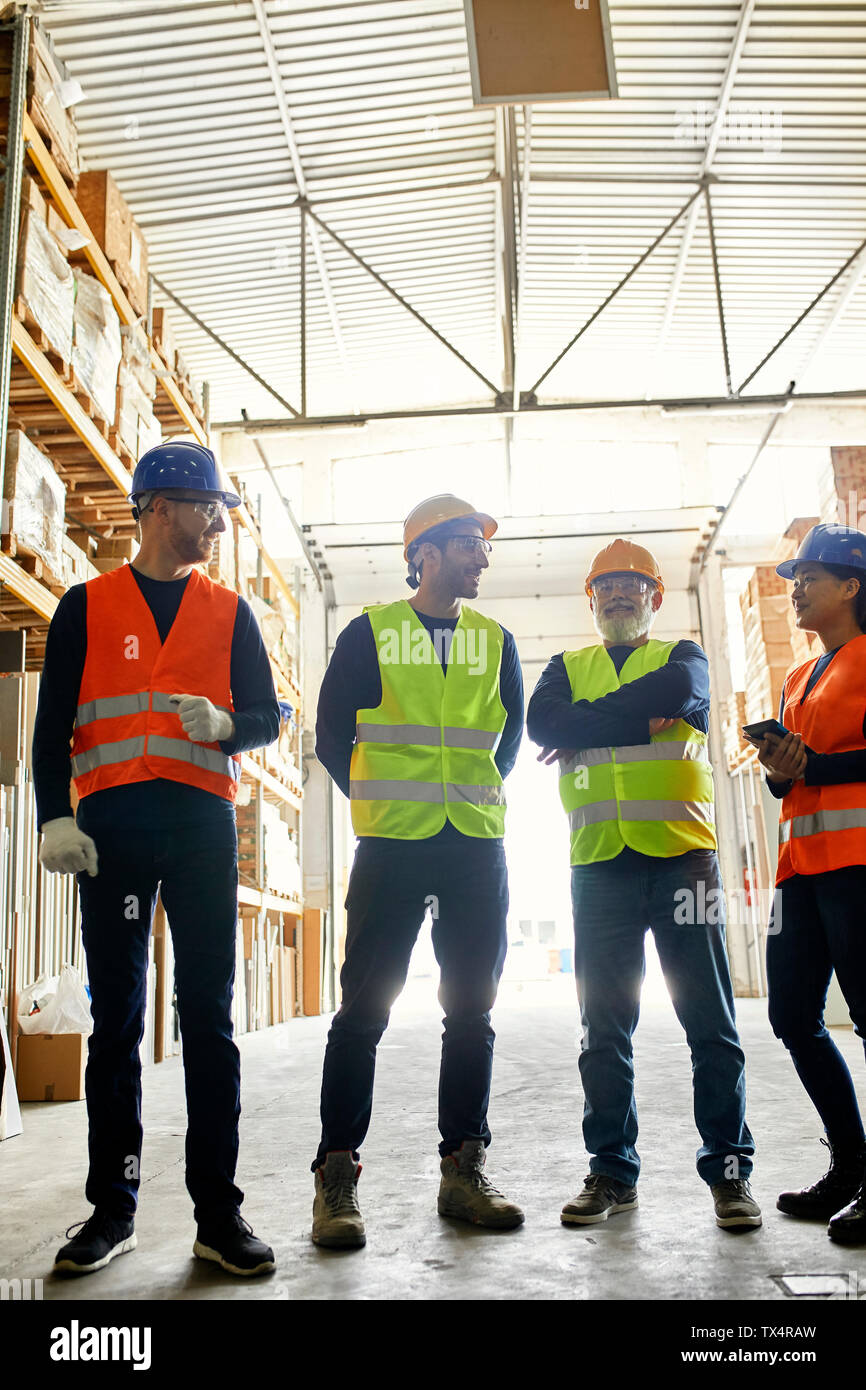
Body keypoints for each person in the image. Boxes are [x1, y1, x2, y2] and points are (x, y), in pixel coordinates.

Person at [33, 441, 280, 1277]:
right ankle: (114, 1208)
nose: (219, 522)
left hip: (202, 829)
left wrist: (227, 723)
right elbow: (49, 728)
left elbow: (267, 718)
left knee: (208, 1021)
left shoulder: (232, 611)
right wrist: (52, 819)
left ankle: (219, 1214)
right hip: (113, 836)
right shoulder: (86, 606)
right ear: (160, 508)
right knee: (117, 1025)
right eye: (209, 506)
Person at [527, 539, 760, 1230]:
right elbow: (544, 724)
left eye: (634, 586)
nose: (621, 595)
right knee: (604, 1030)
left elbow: (681, 696)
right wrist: (640, 719)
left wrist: (594, 723)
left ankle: (728, 1172)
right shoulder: (565, 668)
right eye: (608, 587)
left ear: (656, 598)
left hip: (685, 858)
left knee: (711, 1024)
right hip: (600, 862)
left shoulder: (683, 657)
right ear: (592, 599)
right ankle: (611, 1172)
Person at [312, 494, 524, 1248]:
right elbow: (332, 736)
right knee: (362, 1014)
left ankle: (463, 1170)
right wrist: (377, 801)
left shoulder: (496, 640)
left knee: (471, 1011)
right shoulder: (370, 632)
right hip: (392, 845)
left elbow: (509, 740)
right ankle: (337, 1177)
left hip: (473, 844)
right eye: (470, 544)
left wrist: (465, 796)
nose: (483, 558)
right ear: (426, 552)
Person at [756, 522, 866, 1245]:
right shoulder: (799, 674)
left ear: (852, 586)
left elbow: (826, 768)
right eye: (793, 579)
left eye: (810, 578)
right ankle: (851, 1167)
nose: (795, 589)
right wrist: (778, 765)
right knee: (792, 1016)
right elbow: (783, 784)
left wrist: (812, 768)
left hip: (859, 866)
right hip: (800, 868)